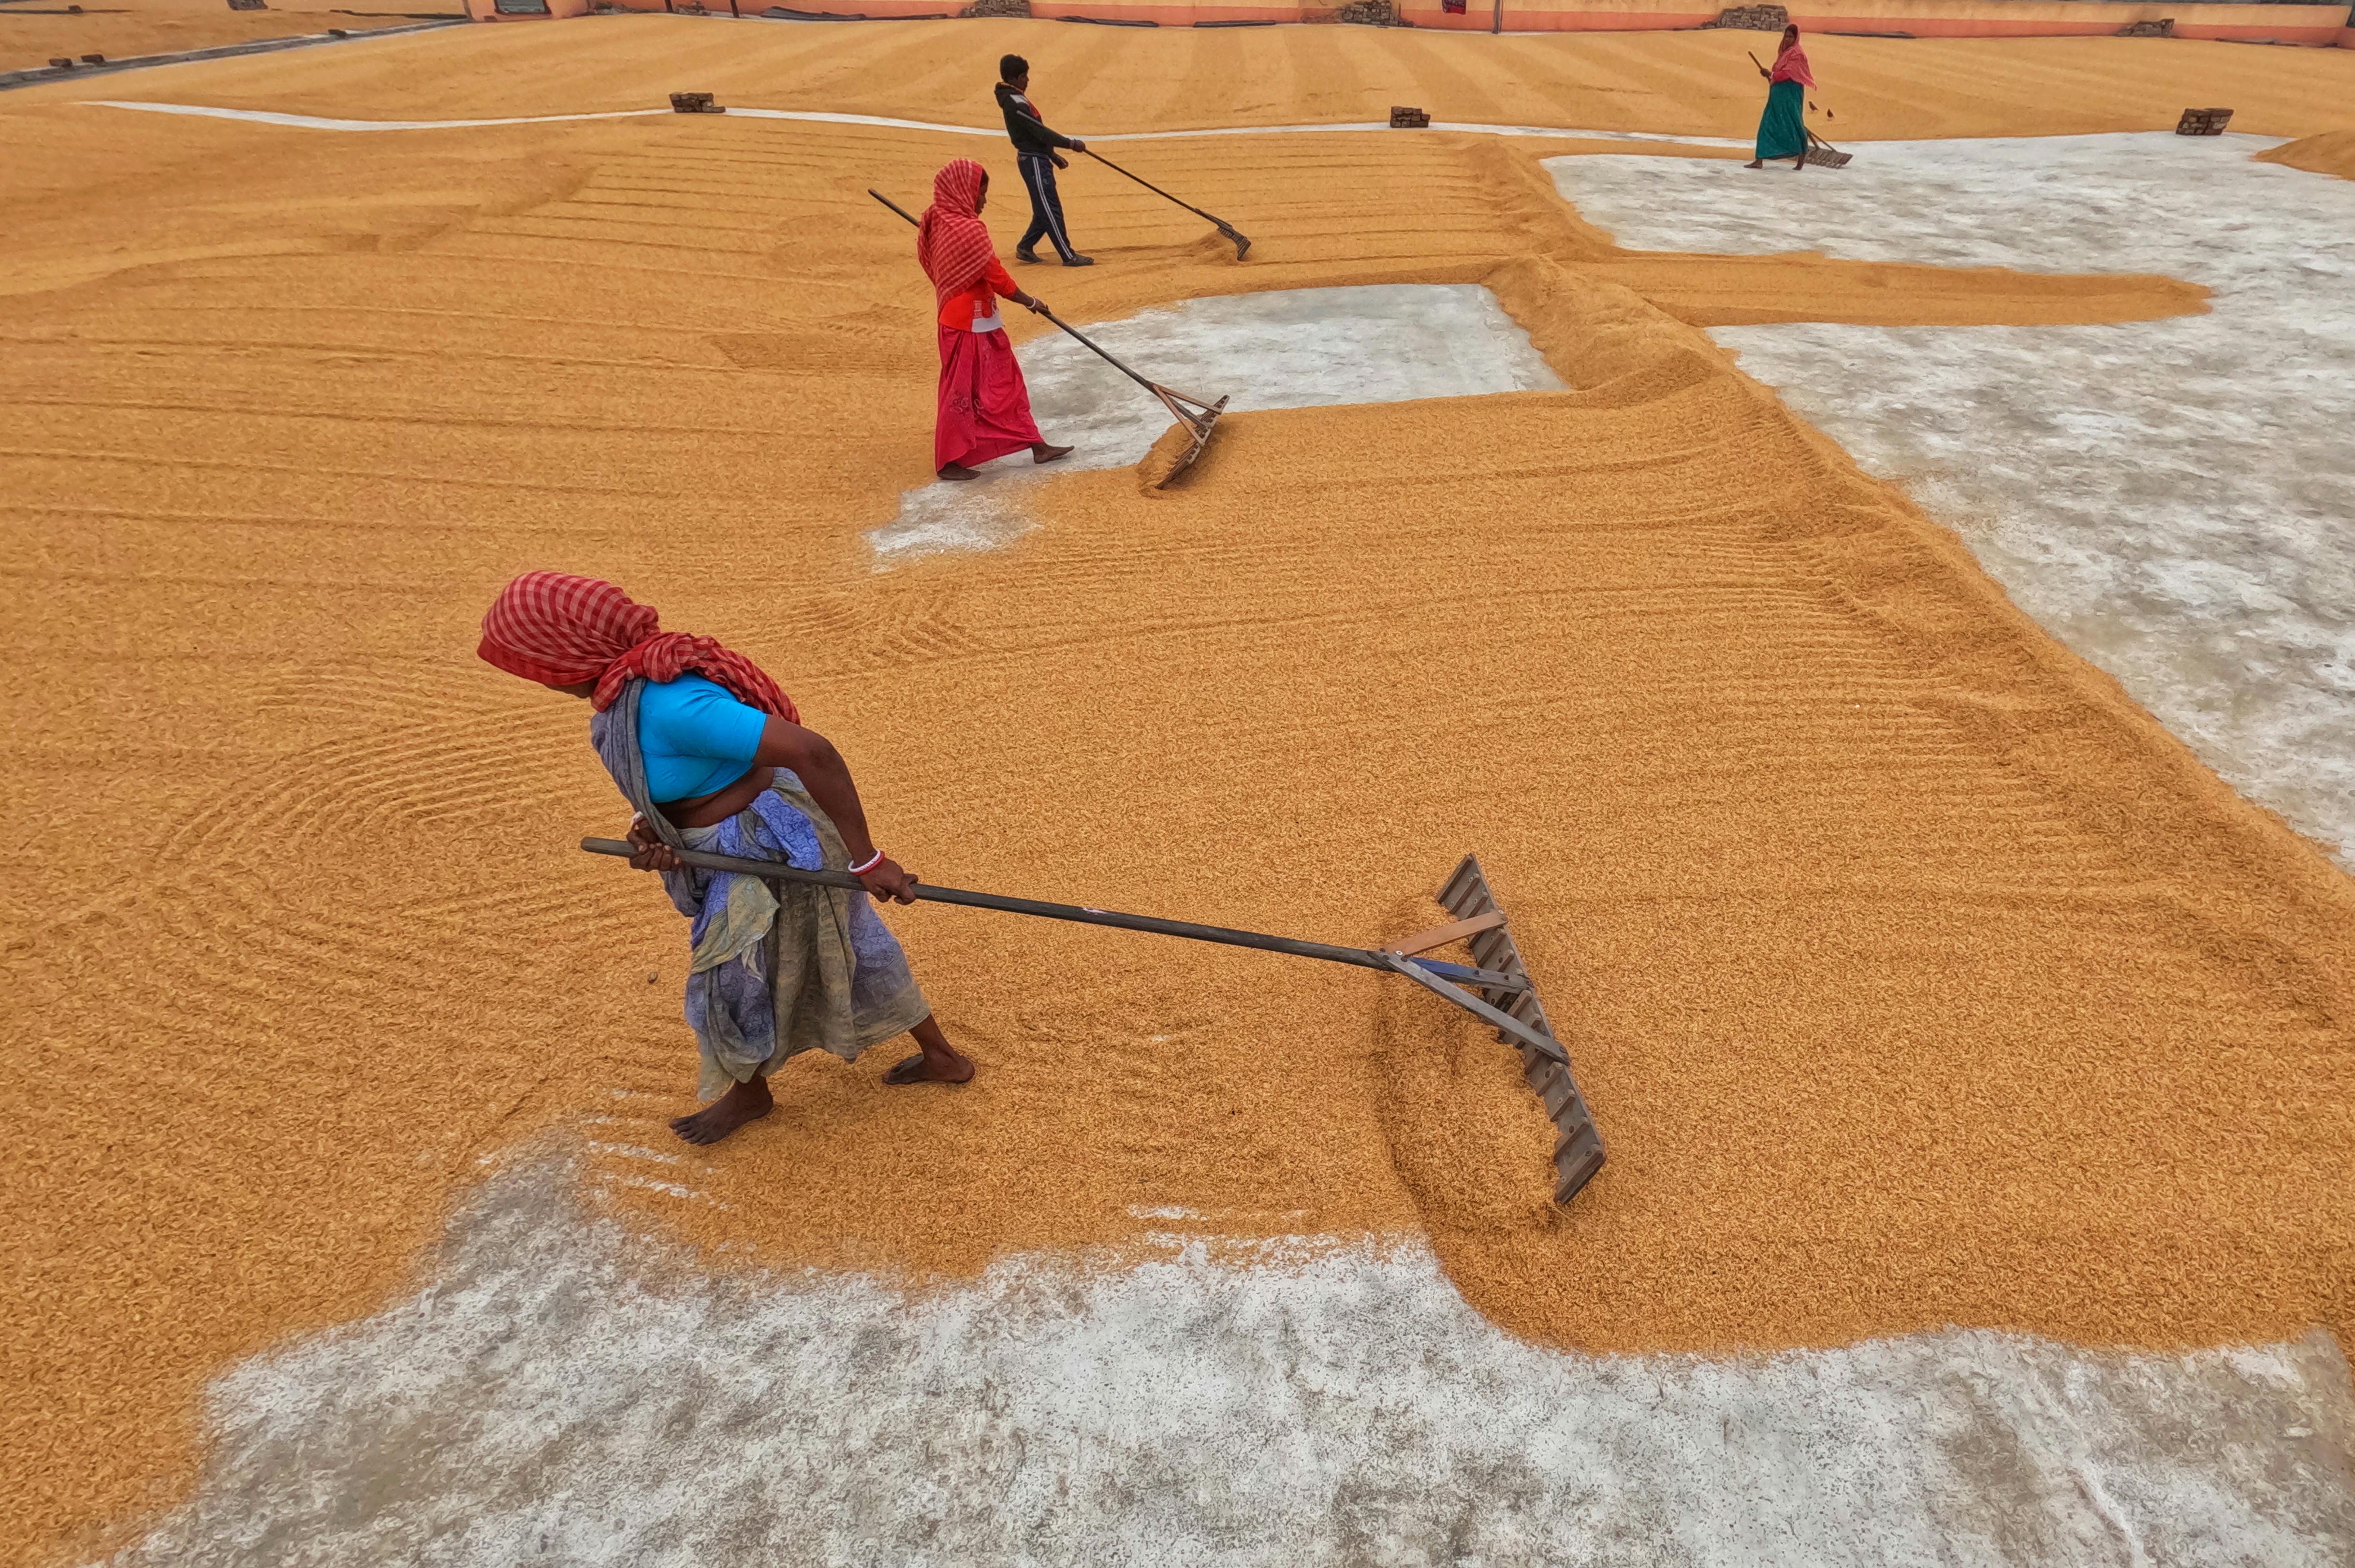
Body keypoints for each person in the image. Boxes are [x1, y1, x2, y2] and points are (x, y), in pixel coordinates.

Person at [477, 571, 976, 1147]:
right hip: (728, 844)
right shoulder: (626, 694)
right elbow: (681, 782)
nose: (537, 680)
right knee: (848, 942)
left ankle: (750, 1093)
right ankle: (940, 1057)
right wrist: (656, 830)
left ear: (568, 655)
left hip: (771, 843)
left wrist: (868, 860)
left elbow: (811, 751)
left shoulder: (672, 703)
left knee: (732, 977)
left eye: (535, 664)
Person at [919, 157, 1074, 483]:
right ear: (962, 192)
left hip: (977, 319)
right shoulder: (968, 230)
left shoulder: (936, 219)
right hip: (964, 325)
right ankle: (948, 461)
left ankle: (1035, 445)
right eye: (980, 194)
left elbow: (926, 256)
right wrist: (1030, 301)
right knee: (960, 393)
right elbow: (995, 275)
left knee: (1006, 385)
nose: (984, 201)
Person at [994, 53, 1092, 266]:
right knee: (1050, 208)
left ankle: (1026, 247)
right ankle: (1068, 255)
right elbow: (1040, 132)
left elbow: (1035, 134)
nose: (1027, 80)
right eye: (1024, 76)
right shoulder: (1014, 103)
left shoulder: (1015, 98)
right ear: (1015, 78)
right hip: (1033, 162)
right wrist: (1070, 144)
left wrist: (1053, 155)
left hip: (1037, 159)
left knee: (1043, 208)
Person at [1746, 24, 1813, 172]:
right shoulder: (1785, 53)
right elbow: (1780, 71)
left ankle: (1801, 159)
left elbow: (1788, 74)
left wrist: (1770, 75)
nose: (1788, 40)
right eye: (1786, 36)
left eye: (1791, 37)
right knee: (1768, 122)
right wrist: (1771, 75)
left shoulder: (1797, 54)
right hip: (1778, 95)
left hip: (1791, 95)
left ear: (1796, 38)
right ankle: (1759, 160)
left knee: (1794, 123)